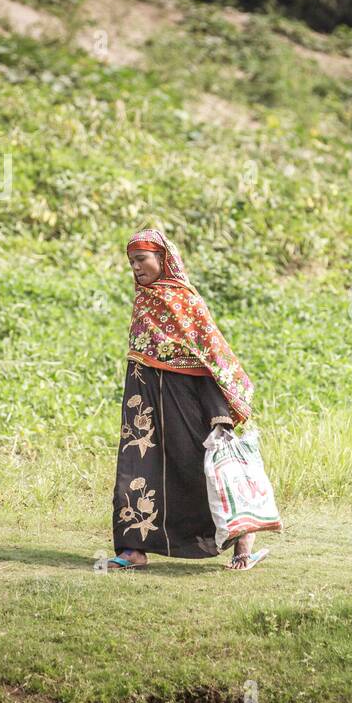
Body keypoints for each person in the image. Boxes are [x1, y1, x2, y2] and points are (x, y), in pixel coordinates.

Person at [106, 229, 272, 572]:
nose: (136, 268)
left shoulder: (185, 301)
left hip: (186, 405)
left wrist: (218, 413)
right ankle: (133, 550)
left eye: (141, 260)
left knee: (202, 473)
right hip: (145, 405)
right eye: (131, 262)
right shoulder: (144, 301)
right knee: (137, 470)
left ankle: (243, 540)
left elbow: (208, 359)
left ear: (163, 259)